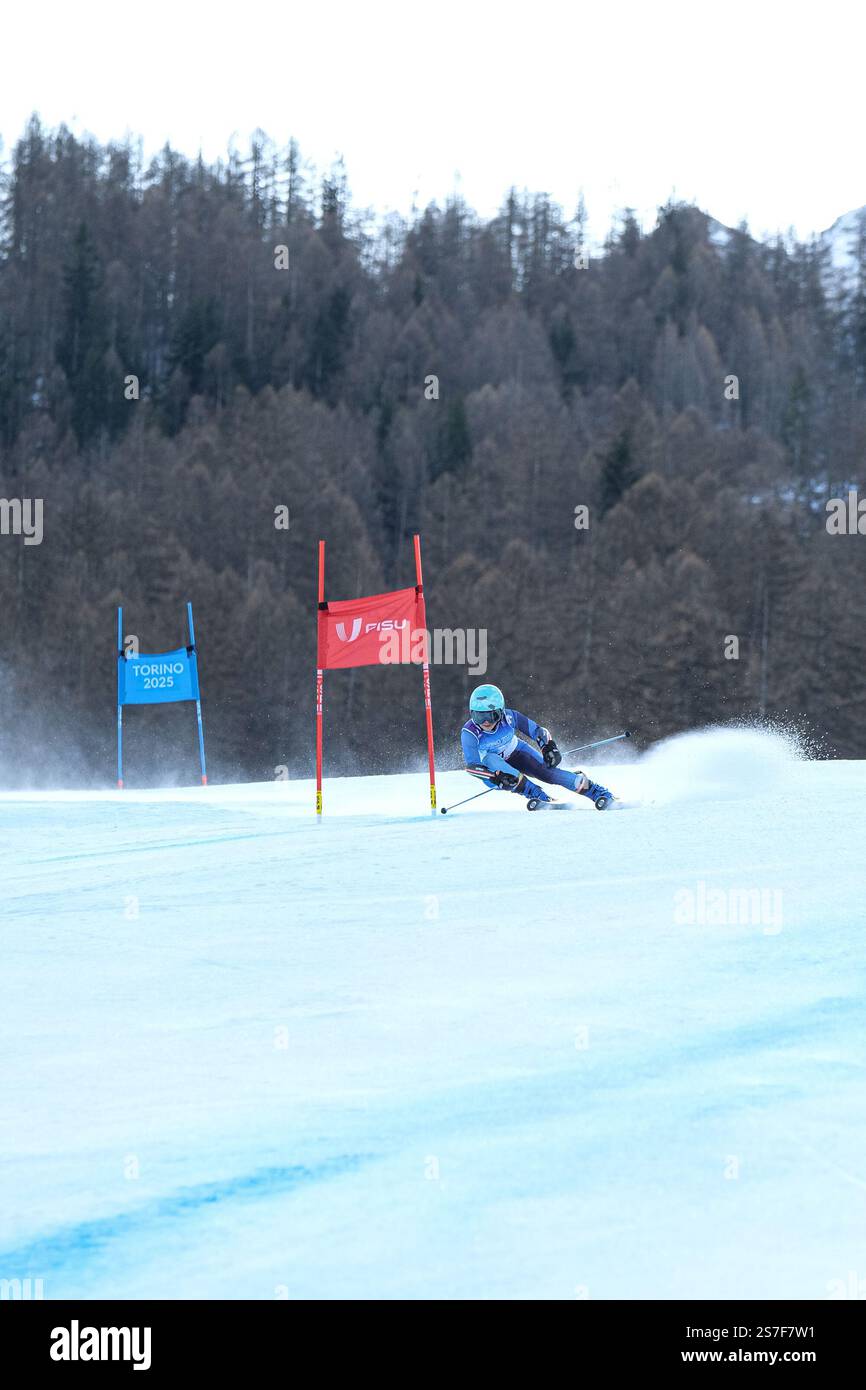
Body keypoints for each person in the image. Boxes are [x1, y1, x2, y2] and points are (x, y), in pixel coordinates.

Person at [461, 683, 615, 810]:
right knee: (492, 759)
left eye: (491, 715)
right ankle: (536, 795)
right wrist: (495, 777)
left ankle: (595, 791)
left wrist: (548, 747)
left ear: (500, 712)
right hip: (493, 770)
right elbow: (472, 766)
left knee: (549, 774)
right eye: (478, 716)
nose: (485, 722)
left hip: (516, 751)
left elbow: (537, 731)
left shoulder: (509, 717)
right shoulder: (470, 732)